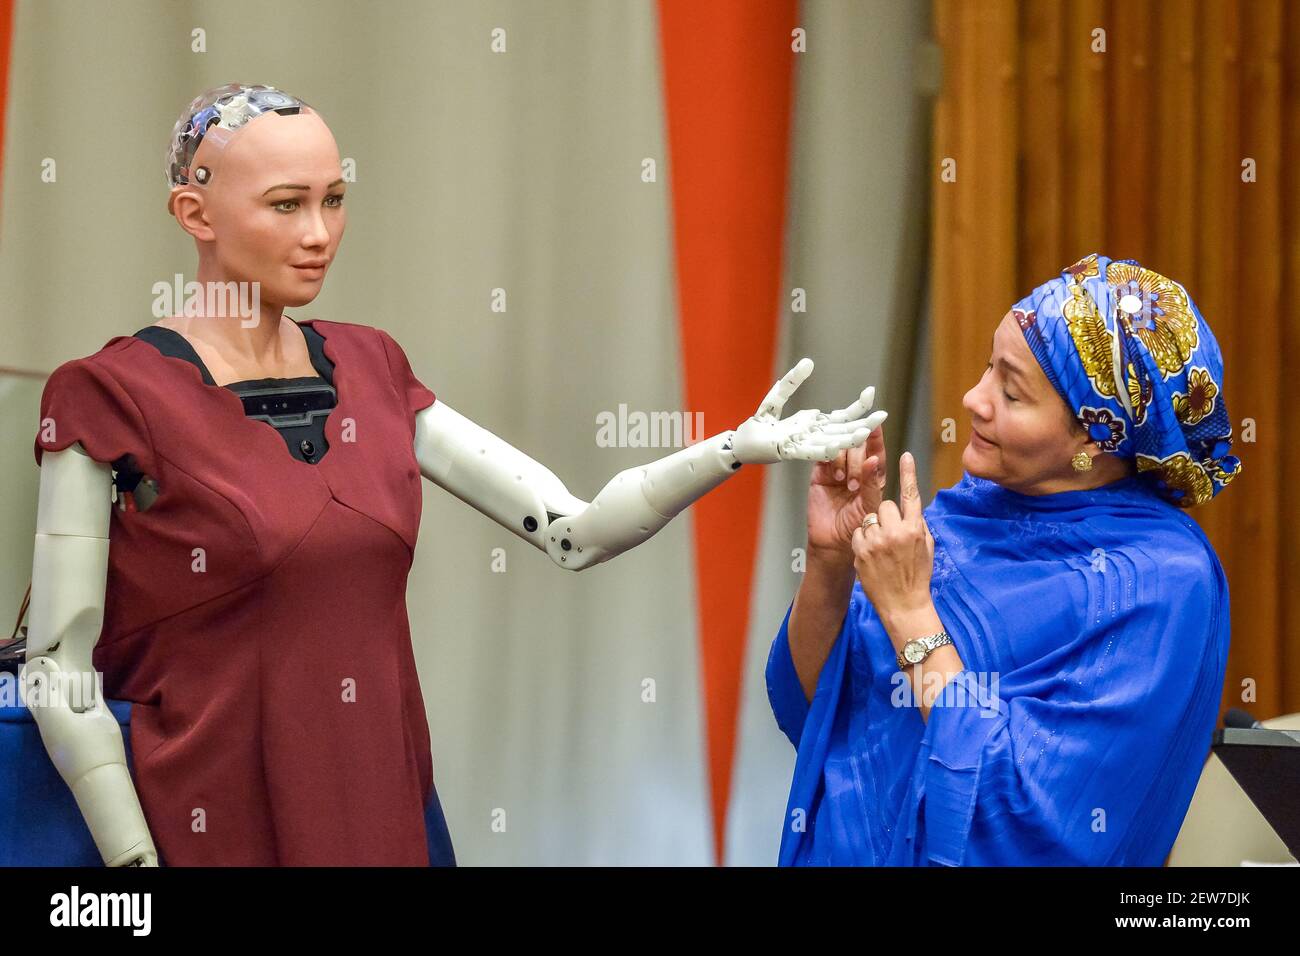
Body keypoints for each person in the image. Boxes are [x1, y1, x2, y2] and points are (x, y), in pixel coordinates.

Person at [14, 84, 886, 867]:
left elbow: (574, 533)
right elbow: (59, 671)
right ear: (193, 213)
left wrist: (732, 448)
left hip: (387, 809)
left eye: (334, 199)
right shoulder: (111, 395)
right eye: (286, 205)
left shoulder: (372, 368)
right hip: (205, 820)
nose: (320, 234)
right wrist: (132, 862)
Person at [766, 252, 1242, 865]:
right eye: (989, 368)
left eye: (1011, 392)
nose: (973, 397)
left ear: (1095, 440)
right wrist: (831, 562)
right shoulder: (966, 517)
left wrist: (911, 616)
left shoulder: (1161, 584)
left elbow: (1033, 821)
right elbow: (814, 708)